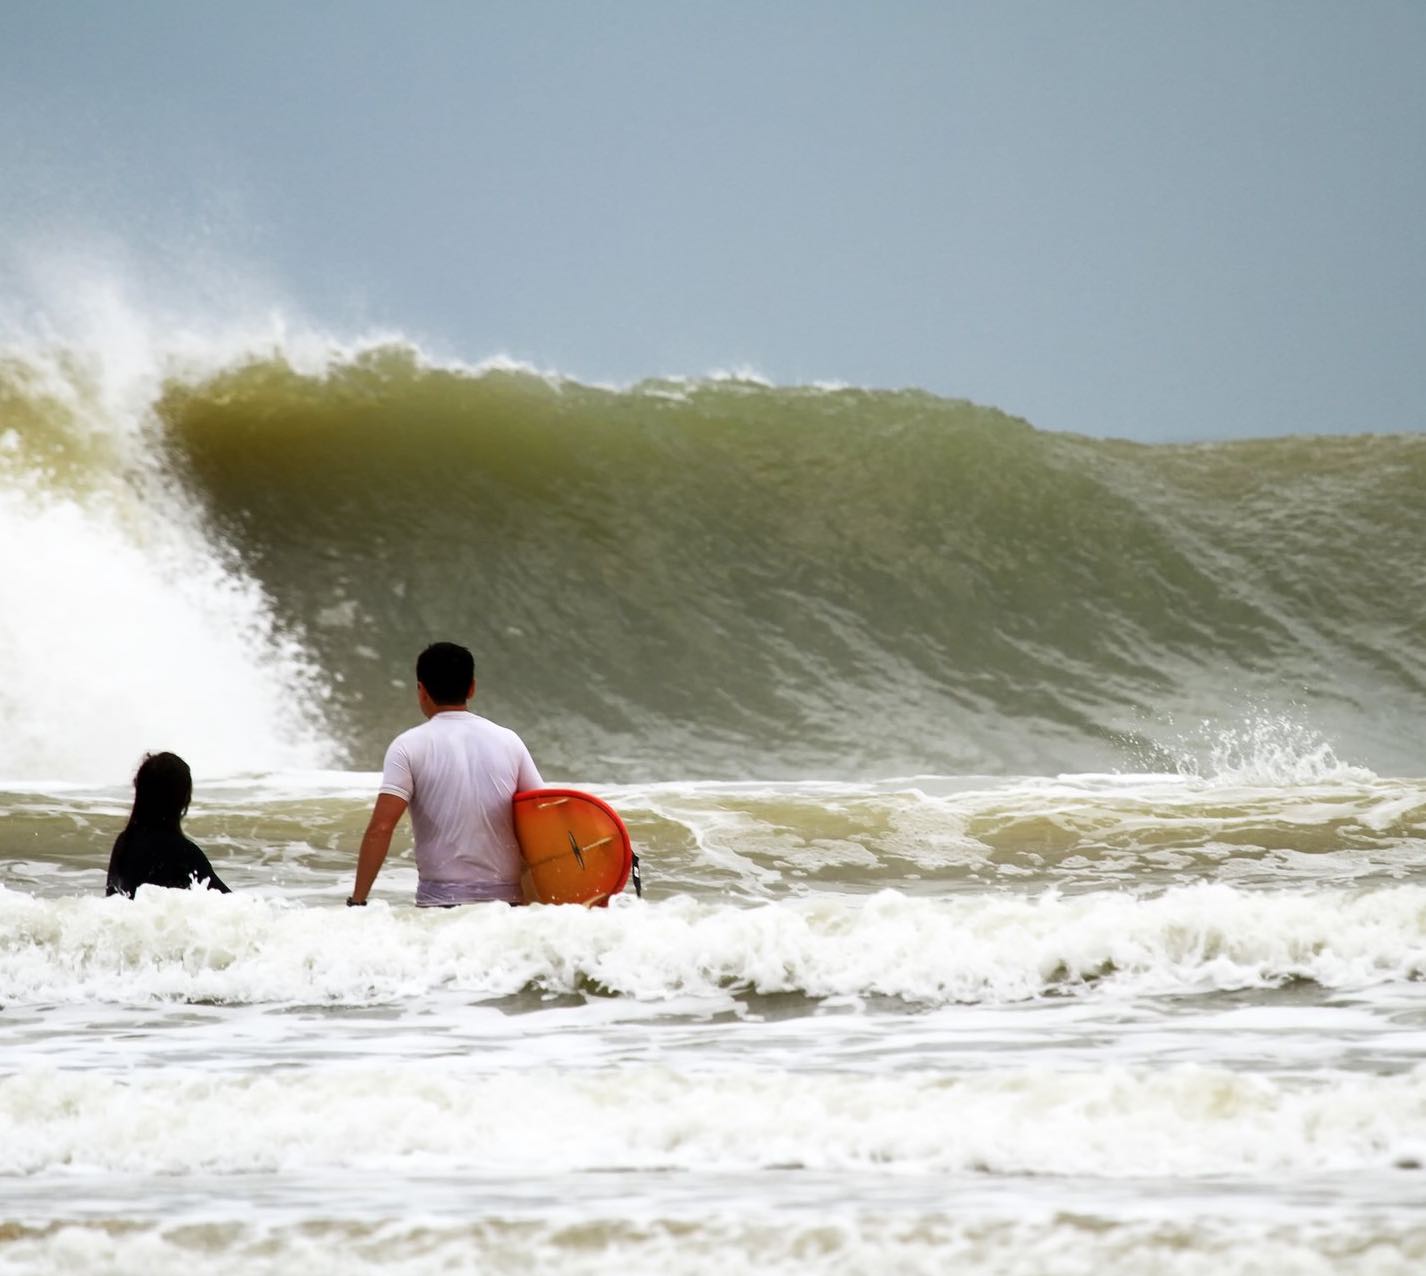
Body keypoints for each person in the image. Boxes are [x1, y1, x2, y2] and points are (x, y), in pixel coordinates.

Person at [347, 641, 543, 907]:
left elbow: (381, 828)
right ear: (472, 687)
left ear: (421, 690)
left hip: (439, 904)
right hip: (505, 905)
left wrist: (357, 901)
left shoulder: (408, 746)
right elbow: (543, 813)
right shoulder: (509, 741)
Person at [106, 752, 231, 898]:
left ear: (139, 792)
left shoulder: (124, 844)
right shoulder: (185, 854)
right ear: (184, 799)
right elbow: (233, 904)